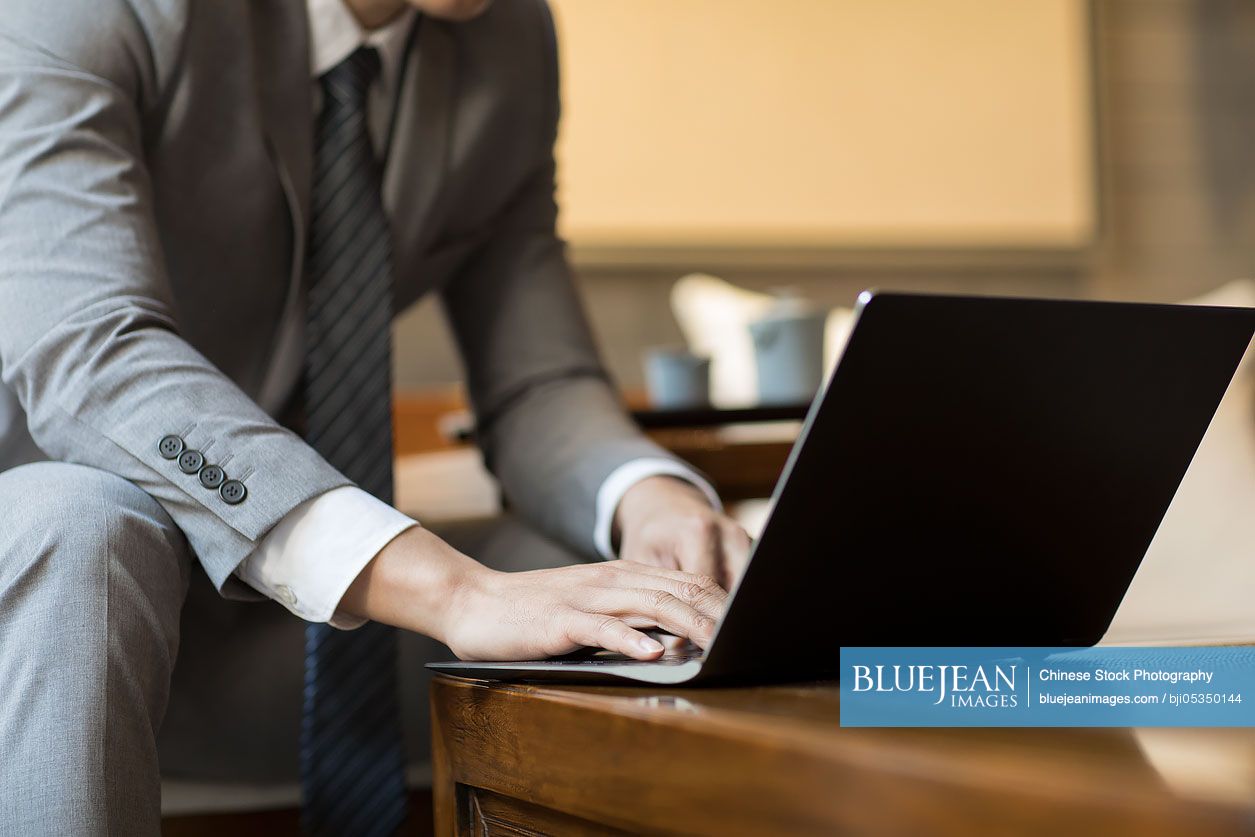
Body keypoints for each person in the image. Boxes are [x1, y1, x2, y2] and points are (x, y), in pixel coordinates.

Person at [0, 0, 752, 833]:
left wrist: (653, 502)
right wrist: (453, 590)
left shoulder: (509, 37)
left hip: (274, 622)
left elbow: (539, 380)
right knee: (81, 522)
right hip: (52, 599)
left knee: (646, 603)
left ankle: (909, 731)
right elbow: (85, 352)